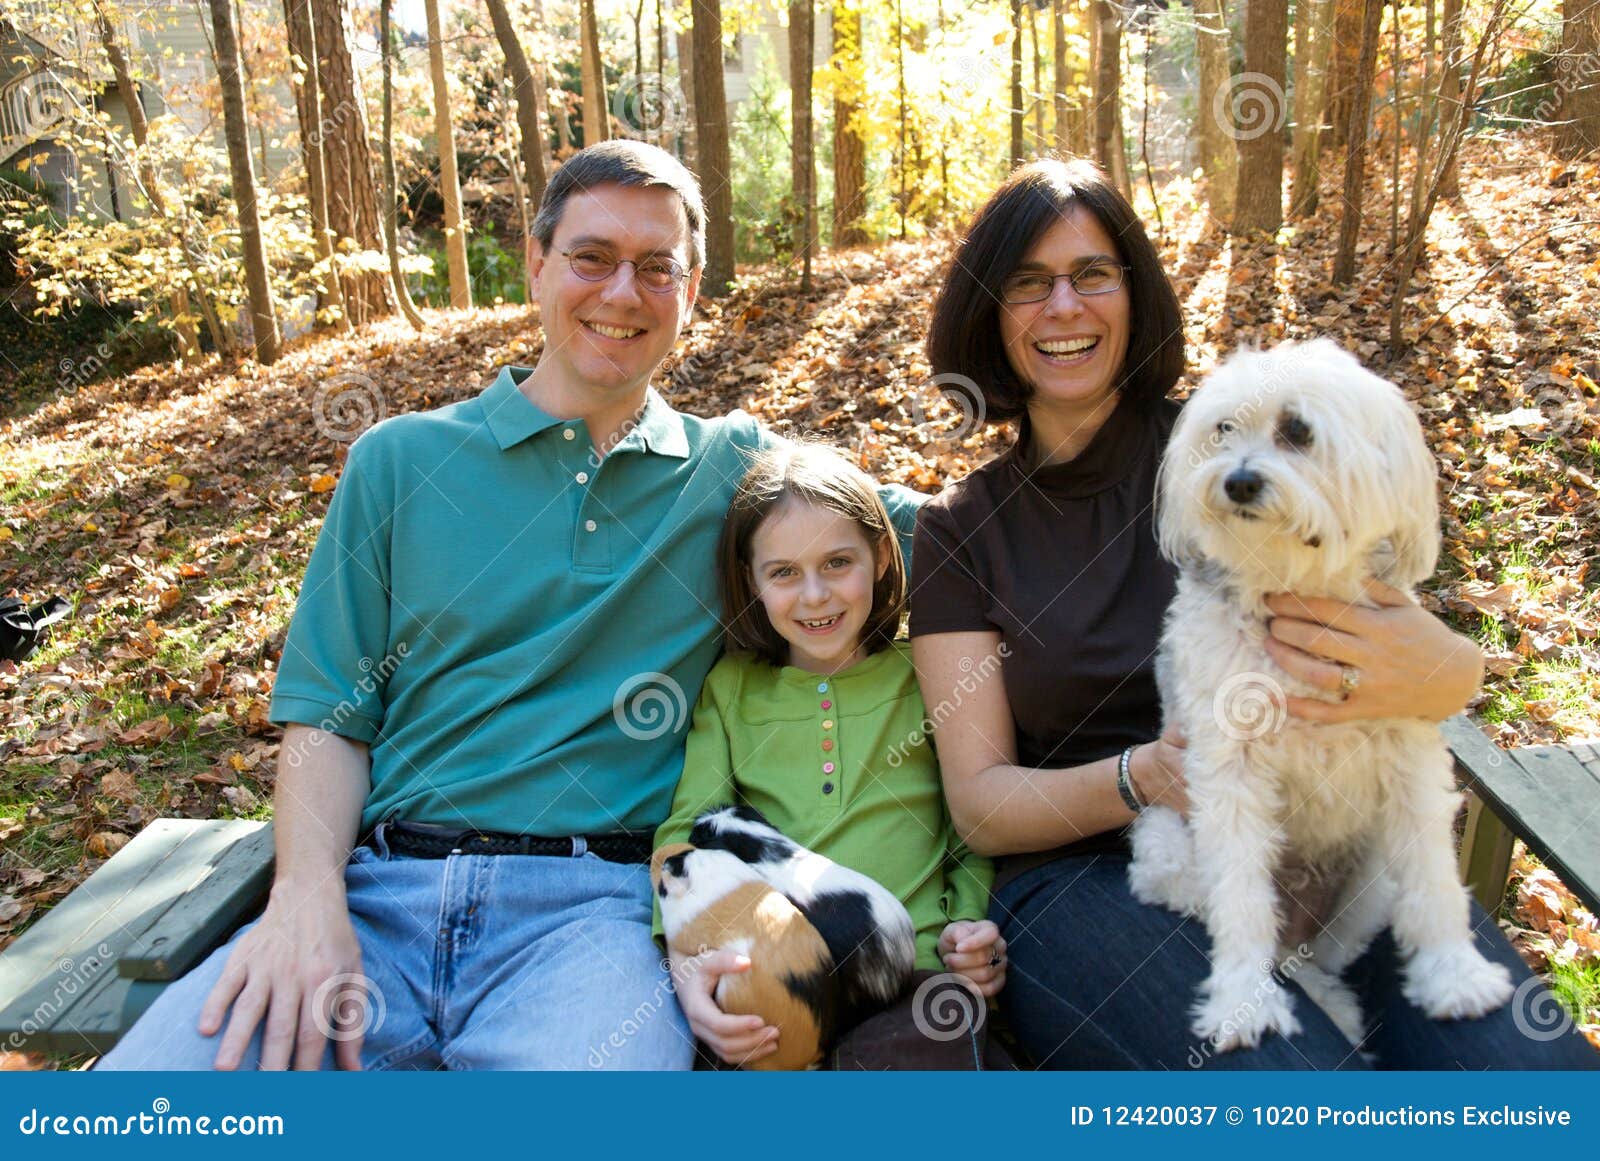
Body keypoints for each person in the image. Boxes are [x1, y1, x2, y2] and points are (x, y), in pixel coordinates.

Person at [100, 141, 923, 1071]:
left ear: (691, 292)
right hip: (378, 898)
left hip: (594, 919)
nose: (623, 291)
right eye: (592, 257)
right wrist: (304, 897)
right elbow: (328, 718)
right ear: (536, 265)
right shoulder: (399, 463)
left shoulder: (735, 475)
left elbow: (965, 540)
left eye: (659, 268)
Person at [908, 156, 1599, 1070]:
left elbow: (1404, 622)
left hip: (1328, 837)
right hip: (1080, 874)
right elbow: (983, 806)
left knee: (1530, 1074)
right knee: (1293, 1089)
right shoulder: (962, 529)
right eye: (1029, 284)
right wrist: (1147, 774)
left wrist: (1454, 670)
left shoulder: (1248, 436)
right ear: (989, 315)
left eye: (1092, 275)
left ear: (1135, 292)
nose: (1063, 307)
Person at [653, 443, 1000, 1069]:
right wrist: (687, 959)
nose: (815, 595)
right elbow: (686, 834)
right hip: (776, 977)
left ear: (879, 558)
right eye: (783, 572)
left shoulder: (925, 673)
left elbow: (970, 828)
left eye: (838, 562)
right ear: (750, 581)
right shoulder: (732, 689)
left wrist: (970, 923)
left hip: (910, 971)